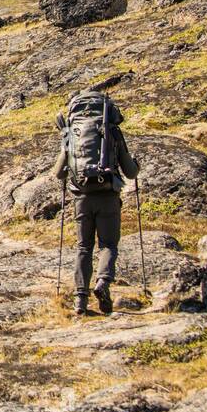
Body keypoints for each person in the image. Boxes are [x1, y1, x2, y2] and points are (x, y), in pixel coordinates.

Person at [52, 90, 140, 316]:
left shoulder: (72, 132)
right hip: (108, 196)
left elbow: (59, 174)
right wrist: (136, 164)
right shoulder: (111, 130)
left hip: (82, 198)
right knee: (108, 245)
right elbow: (130, 172)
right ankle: (103, 283)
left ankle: (80, 301)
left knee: (84, 247)